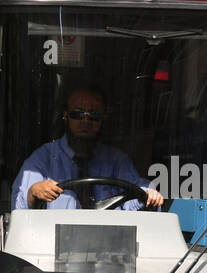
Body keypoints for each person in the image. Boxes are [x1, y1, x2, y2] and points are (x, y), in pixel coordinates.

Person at [12, 86, 164, 211]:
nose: (85, 121)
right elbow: (19, 209)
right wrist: (33, 192)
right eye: (77, 114)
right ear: (66, 116)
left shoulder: (116, 161)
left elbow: (135, 196)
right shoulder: (43, 158)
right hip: (55, 245)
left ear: (103, 118)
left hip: (109, 243)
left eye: (94, 115)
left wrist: (148, 195)